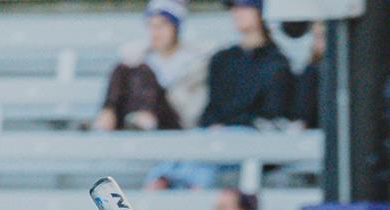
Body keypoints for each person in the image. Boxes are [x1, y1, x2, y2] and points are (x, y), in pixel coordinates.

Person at [95, 0, 207, 131]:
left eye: (162, 26)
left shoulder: (195, 61)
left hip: (174, 120)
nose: (155, 32)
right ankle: (109, 115)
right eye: (151, 26)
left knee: (140, 71)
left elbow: (189, 107)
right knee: (123, 69)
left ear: (176, 28)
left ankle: (141, 121)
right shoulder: (141, 56)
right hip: (136, 116)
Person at [199, 0, 294, 128]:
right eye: (234, 7)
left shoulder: (277, 62)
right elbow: (212, 107)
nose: (237, 13)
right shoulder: (222, 59)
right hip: (217, 138)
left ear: (260, 12)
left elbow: (271, 114)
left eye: (244, 7)